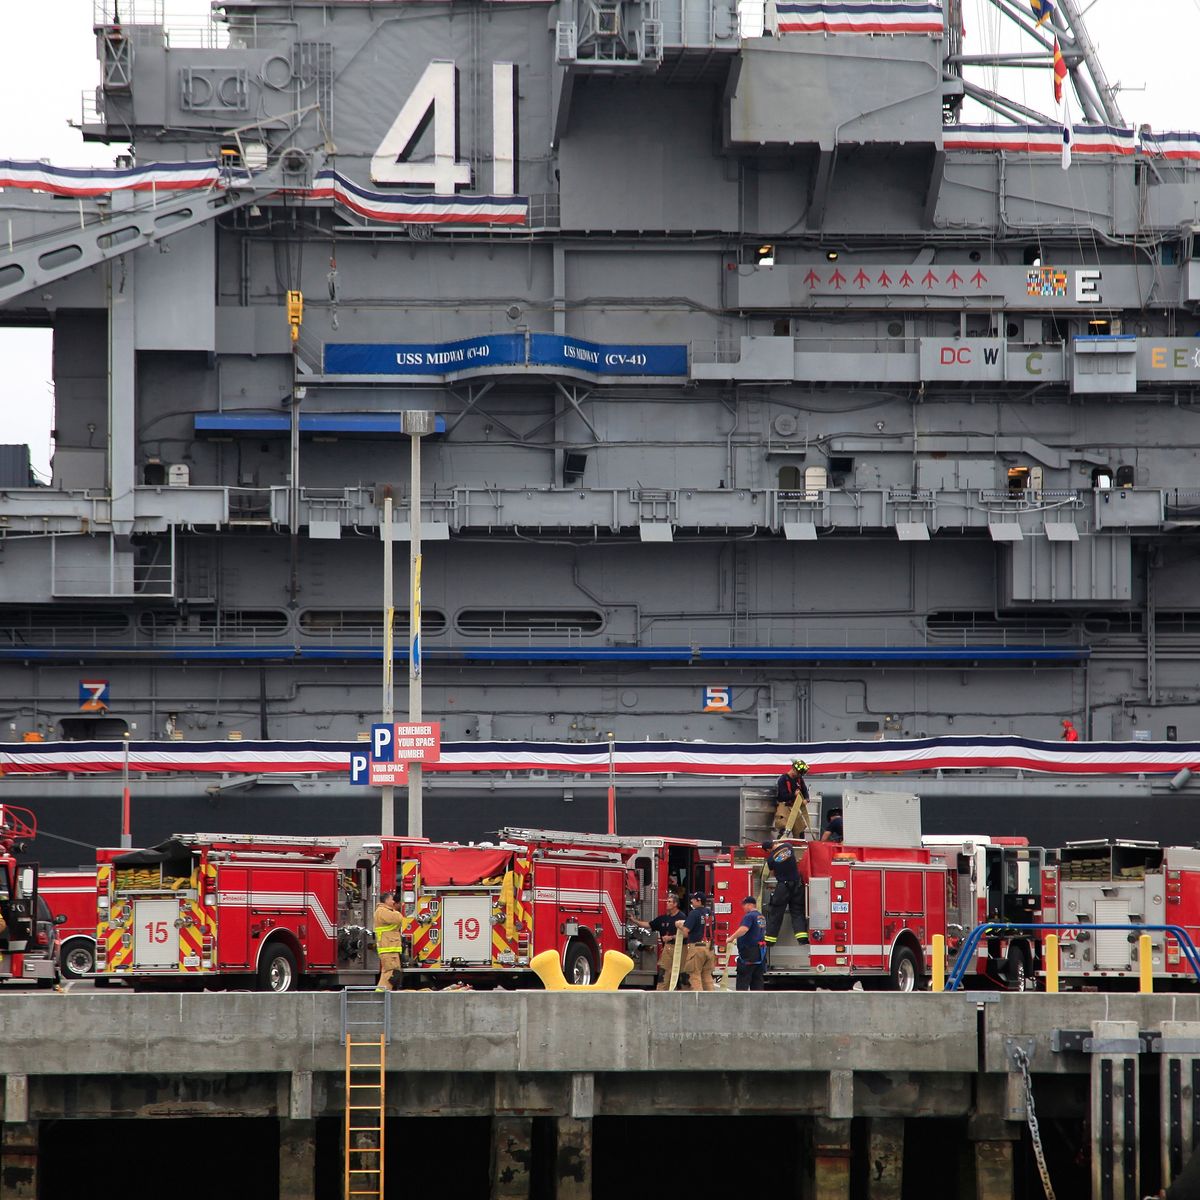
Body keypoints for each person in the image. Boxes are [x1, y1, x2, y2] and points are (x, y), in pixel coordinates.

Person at [761, 839, 809, 948]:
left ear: (768, 849)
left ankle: (770, 940)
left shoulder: (770, 859)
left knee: (776, 912)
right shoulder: (788, 846)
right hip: (798, 885)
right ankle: (802, 938)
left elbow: (773, 874)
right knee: (797, 911)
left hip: (783, 887)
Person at [633, 893, 686, 989]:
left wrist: (671, 937)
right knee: (664, 972)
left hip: (680, 949)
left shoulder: (682, 917)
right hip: (667, 949)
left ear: (675, 904)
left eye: (669, 902)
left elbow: (686, 934)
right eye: (667, 901)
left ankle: (681, 991)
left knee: (681, 974)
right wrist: (634, 920)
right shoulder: (663, 918)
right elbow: (648, 924)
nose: (667, 903)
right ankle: (661, 992)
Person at [675, 892, 717, 991]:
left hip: (697, 947)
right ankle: (711, 999)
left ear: (698, 901)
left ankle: (698, 1001)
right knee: (707, 976)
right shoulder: (710, 913)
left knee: (694, 975)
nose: (691, 901)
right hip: (710, 948)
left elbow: (686, 932)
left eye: (693, 899)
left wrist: (679, 925)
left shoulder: (694, 913)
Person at [728, 896, 766, 991]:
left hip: (749, 953)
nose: (743, 908)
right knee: (757, 981)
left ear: (749, 905)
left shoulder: (749, 916)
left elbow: (744, 929)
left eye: (744, 905)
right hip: (759, 953)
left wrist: (731, 938)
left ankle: (740, 1003)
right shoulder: (760, 916)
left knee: (743, 980)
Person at [373, 890, 403, 991]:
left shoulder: (384, 911)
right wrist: (396, 911)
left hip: (390, 948)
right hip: (388, 948)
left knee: (388, 972)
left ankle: (381, 994)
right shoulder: (382, 911)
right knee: (392, 973)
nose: (393, 901)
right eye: (391, 899)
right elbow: (398, 919)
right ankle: (383, 995)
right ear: (386, 900)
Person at [774, 758, 811, 834]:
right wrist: (793, 795)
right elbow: (782, 796)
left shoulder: (799, 779)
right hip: (784, 806)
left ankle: (799, 844)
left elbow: (804, 790)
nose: (799, 775)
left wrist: (806, 799)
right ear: (793, 769)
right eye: (799, 773)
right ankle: (781, 844)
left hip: (795, 807)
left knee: (800, 830)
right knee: (784, 829)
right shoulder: (783, 779)